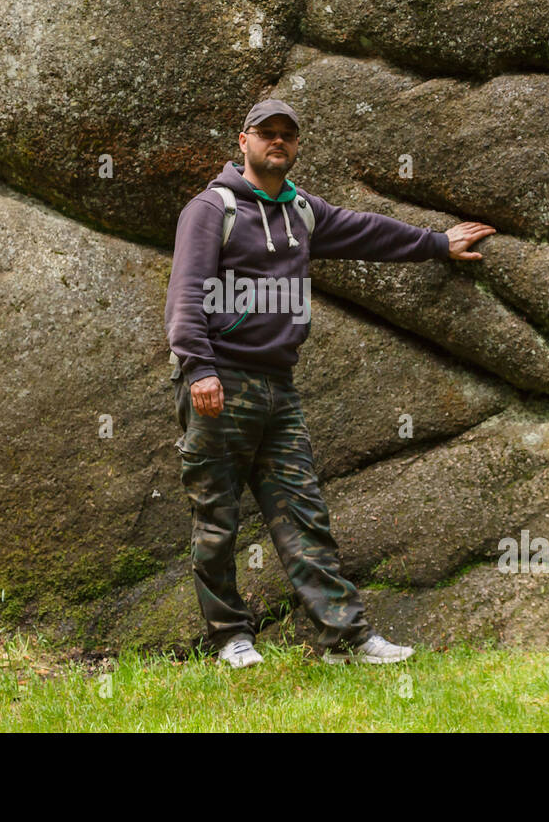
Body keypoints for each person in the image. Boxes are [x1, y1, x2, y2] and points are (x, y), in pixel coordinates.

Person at [163, 98, 496, 668]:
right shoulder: (211, 208)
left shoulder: (302, 212)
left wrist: (438, 243)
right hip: (221, 384)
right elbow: (185, 293)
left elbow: (368, 232)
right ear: (242, 141)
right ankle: (230, 637)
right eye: (266, 133)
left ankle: (345, 638)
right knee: (216, 517)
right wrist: (199, 368)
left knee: (304, 513)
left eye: (287, 135)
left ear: (296, 146)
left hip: (278, 387)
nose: (277, 142)